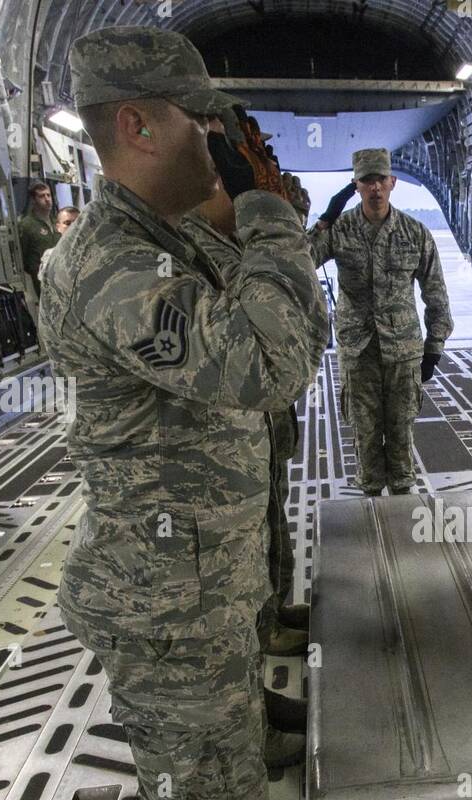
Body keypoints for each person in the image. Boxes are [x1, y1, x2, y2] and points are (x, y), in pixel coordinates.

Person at [39, 25, 328, 800]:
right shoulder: (112, 265)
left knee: (228, 764)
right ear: (135, 121)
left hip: (203, 573)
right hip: (161, 593)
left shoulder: (174, 239)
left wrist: (260, 214)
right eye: (198, 121)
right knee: (199, 786)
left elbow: (298, 335)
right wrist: (262, 212)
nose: (216, 139)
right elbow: (266, 365)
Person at [177, 142, 313, 736]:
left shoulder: (218, 240)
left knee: (264, 527)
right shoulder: (173, 252)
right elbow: (273, 363)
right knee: (221, 597)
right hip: (198, 469)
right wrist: (265, 218)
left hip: (248, 436)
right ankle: (243, 738)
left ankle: (265, 643)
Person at [309, 149, 453, 496]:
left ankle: (402, 510)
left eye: (380, 180)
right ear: (355, 186)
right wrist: (324, 221)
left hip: (403, 353)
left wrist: (434, 347)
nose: (375, 188)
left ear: (393, 182)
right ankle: (372, 507)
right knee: (366, 437)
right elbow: (302, 260)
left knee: (402, 437)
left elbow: (436, 293)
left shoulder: (414, 233)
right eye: (366, 180)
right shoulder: (339, 231)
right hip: (359, 353)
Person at [18, 181, 59, 313]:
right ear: (33, 200)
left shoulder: (56, 222)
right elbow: (22, 258)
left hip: (62, 278)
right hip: (41, 284)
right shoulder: (27, 226)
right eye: (42, 196)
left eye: (48, 195)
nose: (47, 199)